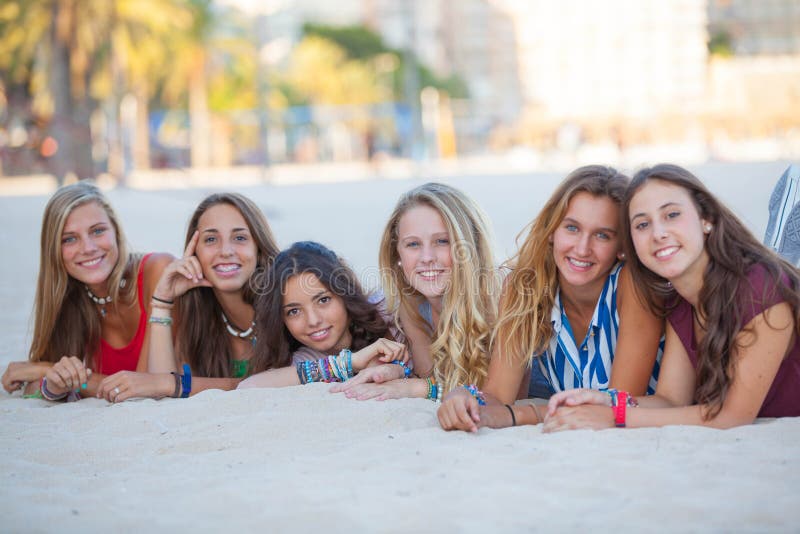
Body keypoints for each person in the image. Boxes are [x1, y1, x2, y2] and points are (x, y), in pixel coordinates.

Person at [543, 163, 800, 431]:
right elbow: (670, 400)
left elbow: (732, 416)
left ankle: (780, 247)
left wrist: (616, 417)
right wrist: (607, 401)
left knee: (773, 270)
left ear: (706, 218)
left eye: (672, 215)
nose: (658, 233)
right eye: (642, 224)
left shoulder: (759, 290)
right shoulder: (680, 300)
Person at [438, 165, 664, 432]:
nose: (582, 248)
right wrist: (463, 398)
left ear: (622, 247)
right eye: (572, 228)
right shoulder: (524, 287)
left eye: (602, 235)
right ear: (552, 231)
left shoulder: (633, 287)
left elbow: (615, 408)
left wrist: (517, 415)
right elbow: (498, 395)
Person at [0, 181, 173, 401]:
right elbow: (35, 386)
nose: (88, 248)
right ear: (54, 250)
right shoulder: (70, 298)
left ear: (116, 232)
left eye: (98, 231)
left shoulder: (157, 271)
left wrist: (44, 369)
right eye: (69, 239)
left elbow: (144, 387)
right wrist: (51, 380)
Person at [331, 182, 499, 401]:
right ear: (397, 253)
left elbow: (499, 397)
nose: (427, 257)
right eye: (413, 244)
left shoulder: (501, 298)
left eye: (442, 241)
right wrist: (401, 371)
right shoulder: (412, 302)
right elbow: (430, 376)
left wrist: (413, 388)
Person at [145, 192, 280, 396]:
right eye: (211, 239)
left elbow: (290, 377)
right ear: (194, 252)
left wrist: (178, 385)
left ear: (258, 248)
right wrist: (162, 303)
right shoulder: (198, 312)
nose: (225, 251)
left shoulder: (285, 300)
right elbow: (161, 389)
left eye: (240, 238)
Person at [237, 241, 408, 389]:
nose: (313, 321)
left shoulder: (390, 309)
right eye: (294, 311)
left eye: (323, 300)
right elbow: (248, 386)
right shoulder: (307, 358)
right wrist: (348, 363)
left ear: (344, 294)